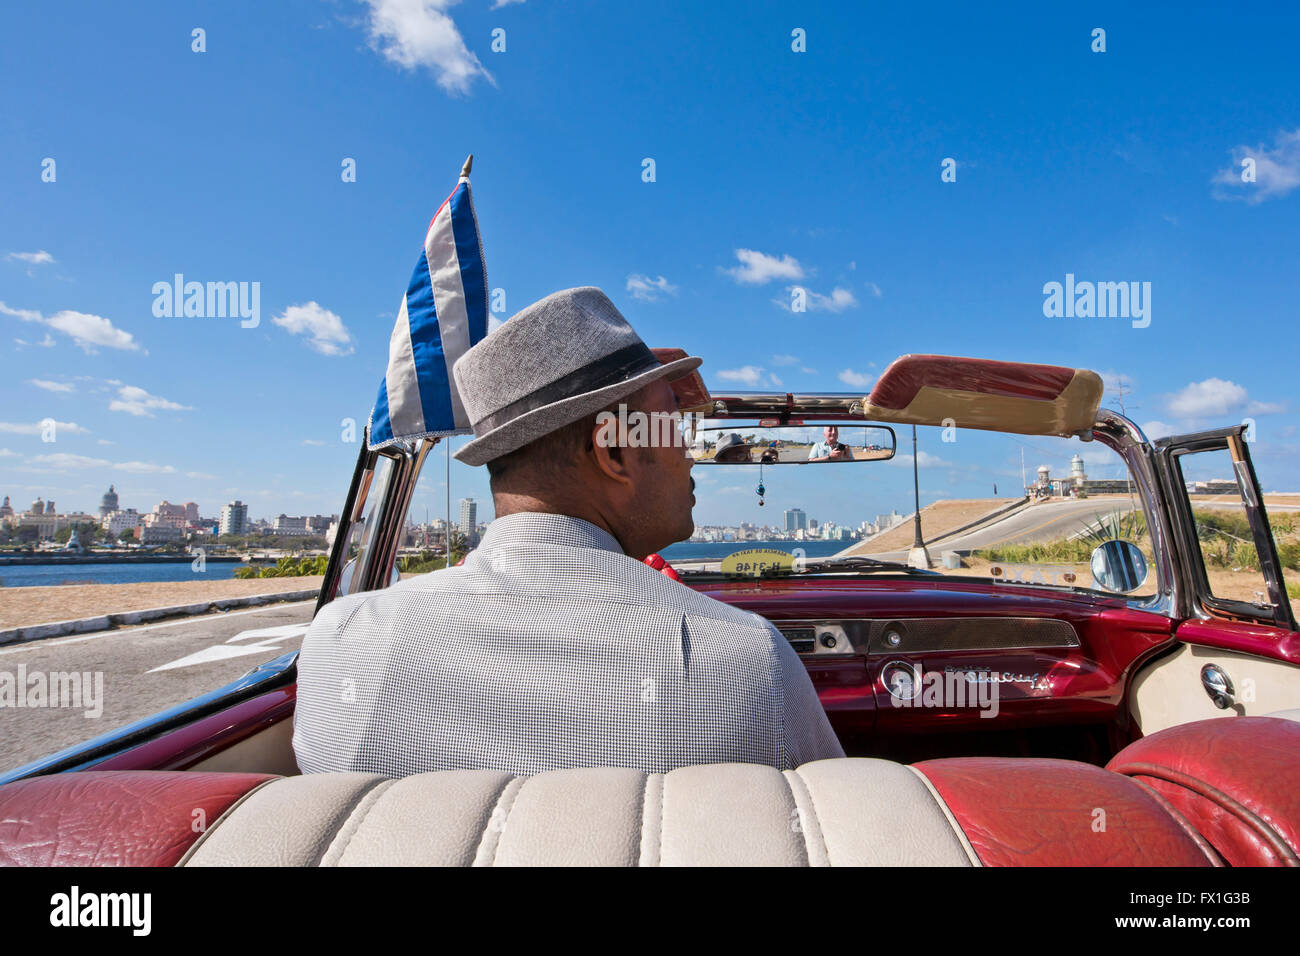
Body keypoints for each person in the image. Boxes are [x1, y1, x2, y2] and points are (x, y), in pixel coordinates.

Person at [293, 287, 844, 777]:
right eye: (675, 424)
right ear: (614, 451)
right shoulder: (747, 660)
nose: (690, 453)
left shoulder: (345, 641)